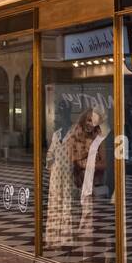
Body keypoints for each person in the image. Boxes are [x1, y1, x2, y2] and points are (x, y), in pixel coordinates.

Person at [43, 108, 107, 252]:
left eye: (94, 121)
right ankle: (57, 239)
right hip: (63, 176)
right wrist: (52, 166)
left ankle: (78, 244)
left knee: (75, 208)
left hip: (77, 177)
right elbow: (54, 154)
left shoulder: (91, 138)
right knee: (57, 205)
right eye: (89, 120)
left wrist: (83, 163)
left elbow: (100, 162)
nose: (90, 123)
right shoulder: (63, 135)